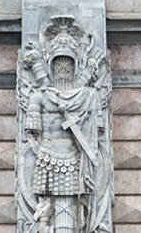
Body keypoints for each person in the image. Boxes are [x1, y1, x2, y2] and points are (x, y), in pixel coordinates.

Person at [21, 21, 109, 233]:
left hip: (74, 161)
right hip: (46, 159)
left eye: (67, 64)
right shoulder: (40, 96)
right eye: (58, 64)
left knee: (69, 217)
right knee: (45, 216)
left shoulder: (88, 96)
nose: (63, 69)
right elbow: (33, 133)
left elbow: (96, 133)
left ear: (75, 65)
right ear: (50, 65)